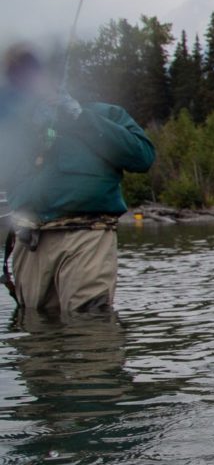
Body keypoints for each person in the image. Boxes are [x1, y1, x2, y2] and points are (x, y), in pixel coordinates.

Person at [0, 44, 155, 315]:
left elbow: (142, 157)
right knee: (35, 337)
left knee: (90, 327)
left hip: (86, 236)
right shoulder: (12, 125)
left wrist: (80, 117)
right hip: (29, 242)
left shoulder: (106, 114)